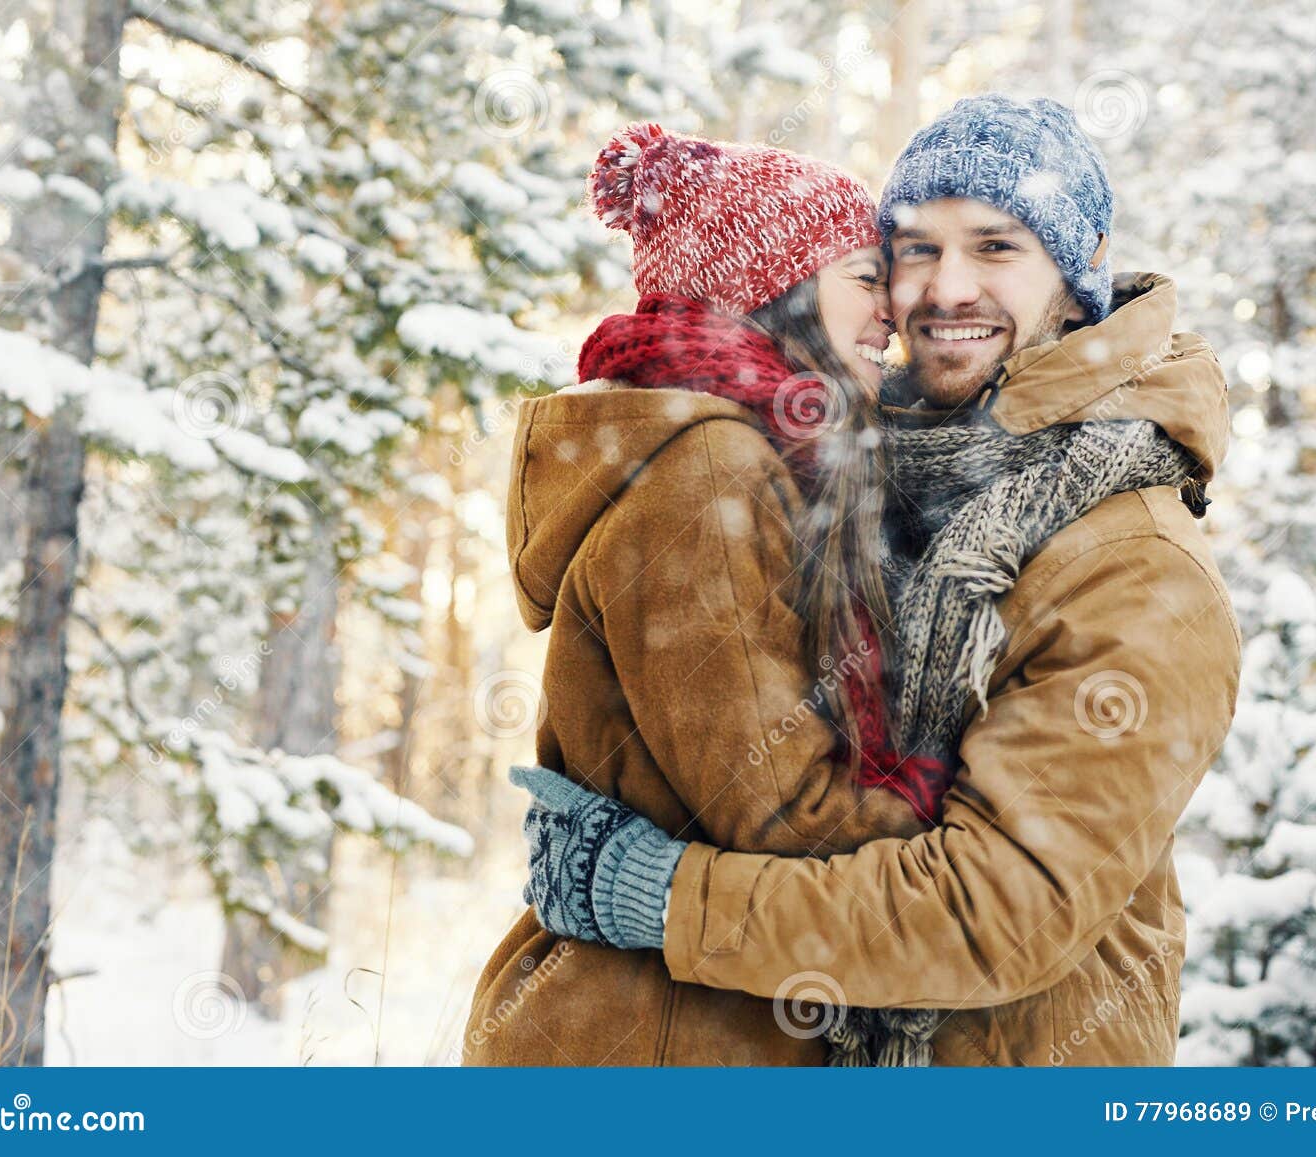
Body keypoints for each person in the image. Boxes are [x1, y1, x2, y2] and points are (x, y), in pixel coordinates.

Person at [512, 94, 1243, 1066]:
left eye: (994, 247)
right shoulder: (834, 464)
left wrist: (664, 894)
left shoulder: (1135, 565)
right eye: (911, 248)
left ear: (1078, 271)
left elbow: (994, 913)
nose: (944, 288)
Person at [463, 123, 948, 1066]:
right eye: (862, 275)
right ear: (775, 292)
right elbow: (776, 805)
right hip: (652, 1035)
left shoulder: (750, 456)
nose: (892, 308)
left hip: (674, 1019)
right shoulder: (709, 471)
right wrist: (973, 824)